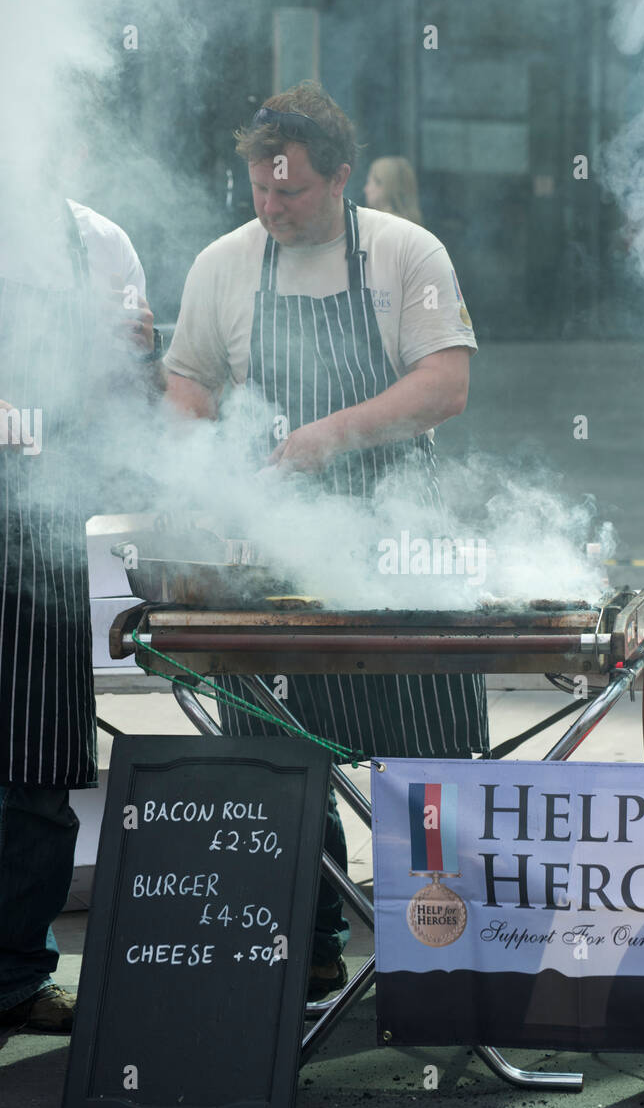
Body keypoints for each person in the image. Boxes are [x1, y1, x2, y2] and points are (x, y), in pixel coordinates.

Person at [161, 81, 487, 997]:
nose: (272, 207)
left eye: (292, 191)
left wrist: (323, 436)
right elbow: (187, 380)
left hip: (396, 532)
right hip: (276, 539)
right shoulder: (224, 263)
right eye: (260, 190)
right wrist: (208, 474)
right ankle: (300, 953)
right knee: (277, 750)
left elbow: (444, 387)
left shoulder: (405, 252)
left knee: (427, 752)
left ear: (340, 178)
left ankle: (443, 960)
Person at [0, 183, 156, 1034]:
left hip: (45, 523)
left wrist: (136, 358)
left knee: (36, 769)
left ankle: (17, 978)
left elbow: (128, 397)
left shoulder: (98, 244)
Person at [363, 155, 423, 224]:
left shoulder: (382, 225)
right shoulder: (412, 226)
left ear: (384, 186)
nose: (365, 189)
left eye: (369, 182)